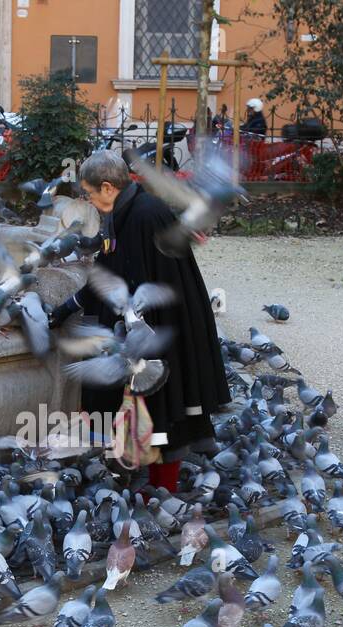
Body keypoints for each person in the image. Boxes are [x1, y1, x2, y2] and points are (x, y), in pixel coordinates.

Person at [49, 151, 230, 492]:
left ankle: (163, 494)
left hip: (162, 328)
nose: (88, 201)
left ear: (107, 187)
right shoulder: (127, 211)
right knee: (149, 409)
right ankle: (148, 485)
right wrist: (67, 306)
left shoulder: (145, 215)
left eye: (88, 194)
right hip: (148, 326)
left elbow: (144, 279)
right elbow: (111, 273)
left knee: (165, 410)